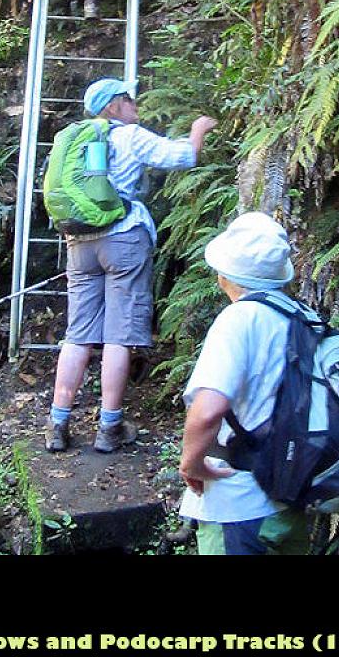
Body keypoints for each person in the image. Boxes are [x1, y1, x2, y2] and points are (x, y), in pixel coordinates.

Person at [46, 78, 217, 453]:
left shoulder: (76, 140)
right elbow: (183, 157)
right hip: (123, 239)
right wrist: (199, 130)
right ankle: (109, 427)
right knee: (119, 334)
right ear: (112, 107)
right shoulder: (128, 136)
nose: (133, 101)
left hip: (80, 243)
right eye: (127, 97)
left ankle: (58, 423)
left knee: (77, 334)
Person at [177, 212, 314, 555]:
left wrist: (191, 463)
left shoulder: (239, 320)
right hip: (291, 494)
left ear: (226, 275)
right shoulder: (305, 317)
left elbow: (208, 411)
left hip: (238, 501)